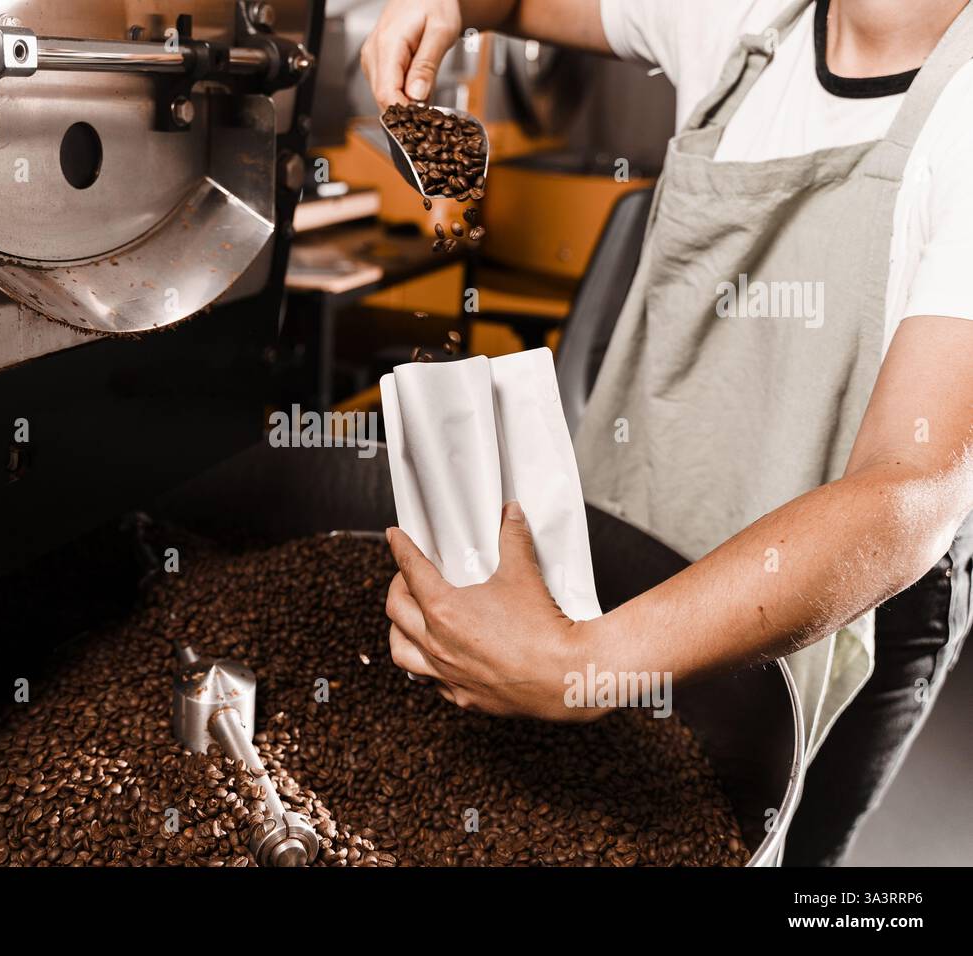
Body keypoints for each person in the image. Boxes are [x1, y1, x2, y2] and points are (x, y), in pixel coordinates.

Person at [365, 0, 973, 866]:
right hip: (647, 522)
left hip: (850, 595)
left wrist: (592, 664)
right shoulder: (750, 16)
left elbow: (907, 487)